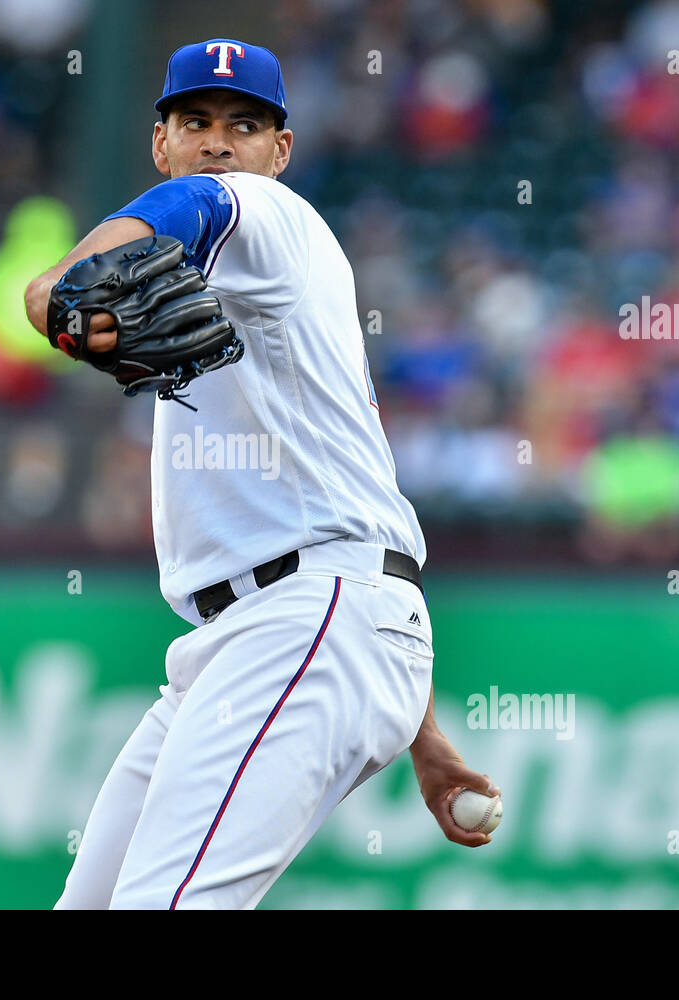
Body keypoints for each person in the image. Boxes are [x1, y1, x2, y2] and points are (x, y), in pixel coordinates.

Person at [25, 37, 500, 910]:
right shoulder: (238, 275)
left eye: (245, 125)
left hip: (303, 623)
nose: (218, 141)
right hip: (274, 633)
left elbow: (200, 203)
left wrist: (49, 288)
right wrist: (425, 741)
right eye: (195, 121)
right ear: (158, 138)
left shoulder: (267, 217)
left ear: (280, 152)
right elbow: (356, 516)